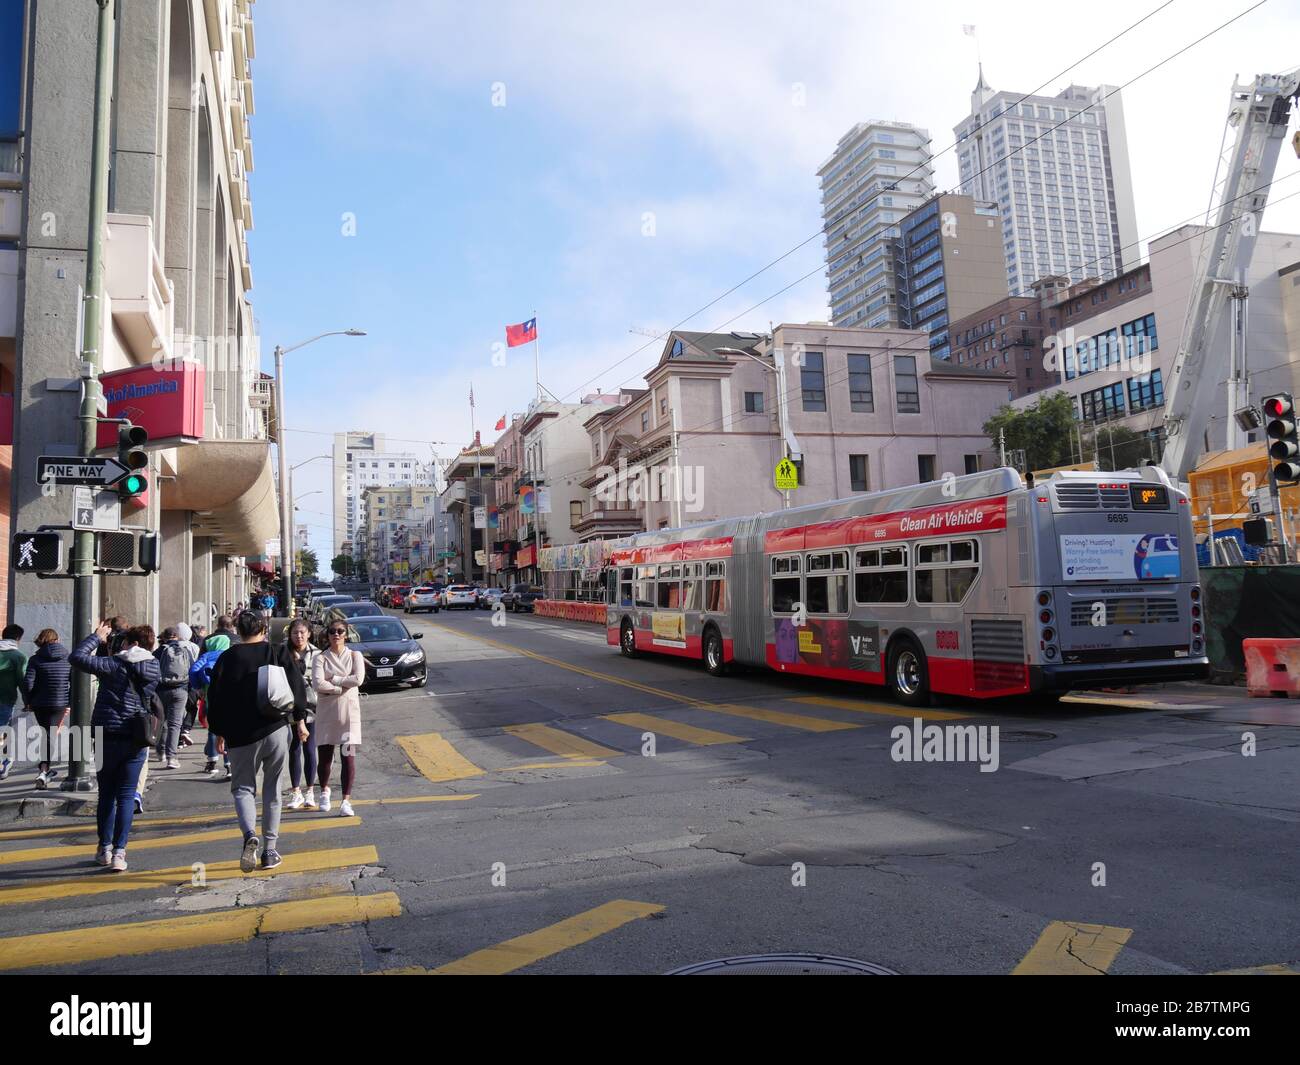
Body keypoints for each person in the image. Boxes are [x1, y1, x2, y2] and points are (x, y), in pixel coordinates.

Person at [205, 611, 308, 871]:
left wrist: (218, 732)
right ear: (263, 627)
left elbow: (213, 699)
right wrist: (299, 720)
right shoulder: (277, 652)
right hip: (275, 728)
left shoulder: (227, 658)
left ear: (238, 631)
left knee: (243, 788)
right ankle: (270, 850)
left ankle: (249, 833)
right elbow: (297, 687)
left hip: (240, 735)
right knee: (273, 790)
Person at [70, 622, 161, 871]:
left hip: (106, 736)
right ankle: (120, 853)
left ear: (130, 643)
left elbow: (76, 657)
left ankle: (105, 849)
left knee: (106, 796)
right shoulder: (154, 666)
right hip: (136, 737)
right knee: (126, 796)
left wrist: (96, 638)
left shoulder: (112, 665)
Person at [312, 620, 365, 817]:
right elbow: (318, 684)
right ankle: (324, 791)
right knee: (325, 756)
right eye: (333, 631)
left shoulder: (354, 655)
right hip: (327, 713)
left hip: (349, 715)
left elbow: (358, 679)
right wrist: (340, 688)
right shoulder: (320, 658)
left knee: (348, 757)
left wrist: (333, 680)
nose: (336, 634)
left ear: (346, 634)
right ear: (327, 635)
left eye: (340, 631)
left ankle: (346, 800)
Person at [22, 628, 70, 789]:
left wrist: (28, 701)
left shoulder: (35, 659)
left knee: (47, 735)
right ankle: (44, 770)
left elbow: (28, 682)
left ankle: (44, 770)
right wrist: (69, 702)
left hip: (39, 703)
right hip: (59, 703)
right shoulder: (68, 658)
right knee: (50, 735)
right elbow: (74, 682)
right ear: (57, 640)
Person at [284, 618, 319, 810]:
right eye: (295, 633)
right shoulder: (283, 652)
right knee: (294, 748)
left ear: (309, 634)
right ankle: (296, 791)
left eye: (302, 633)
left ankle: (310, 791)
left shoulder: (317, 654)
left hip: (312, 708)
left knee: (310, 748)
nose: (298, 636)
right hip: (290, 707)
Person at [154, 627, 197, 769]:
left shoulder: (159, 651)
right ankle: (171, 758)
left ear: (164, 637)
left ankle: (160, 752)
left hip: (161, 690)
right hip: (180, 690)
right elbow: (192, 669)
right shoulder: (185, 650)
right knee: (175, 724)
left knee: (162, 721)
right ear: (177, 636)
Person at [0, 624, 27, 780]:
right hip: (6, 699)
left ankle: (6, 761)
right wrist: (28, 701)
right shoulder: (18, 657)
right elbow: (22, 681)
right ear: (18, 638)